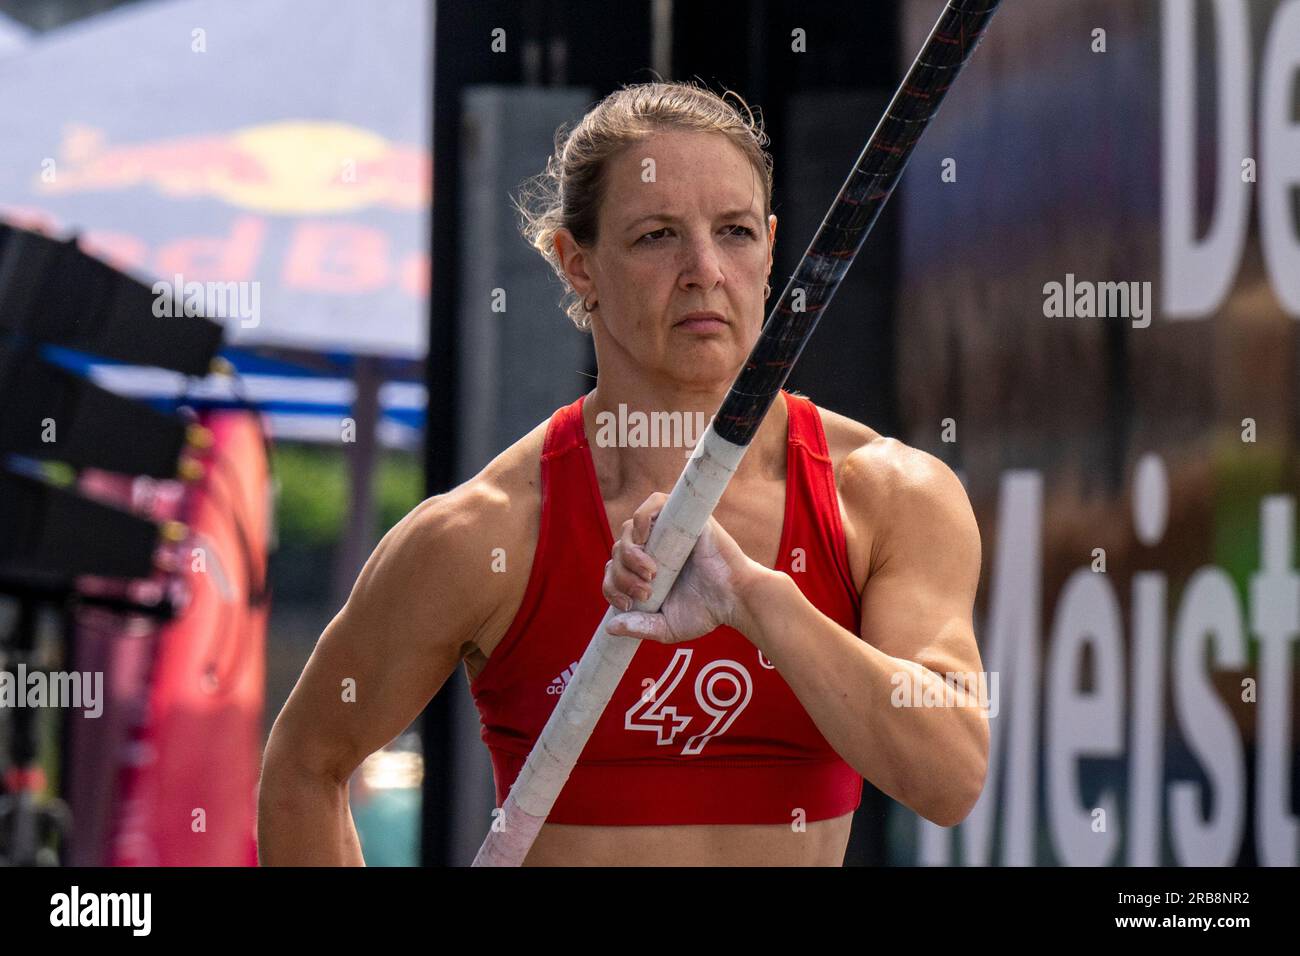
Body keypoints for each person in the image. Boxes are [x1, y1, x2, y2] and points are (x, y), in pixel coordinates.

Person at [258, 81, 987, 867]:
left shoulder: (884, 497)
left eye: (736, 232)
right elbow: (305, 765)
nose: (704, 269)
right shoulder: (488, 533)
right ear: (579, 264)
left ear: (772, 249)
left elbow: (949, 778)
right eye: (656, 237)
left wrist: (756, 599)